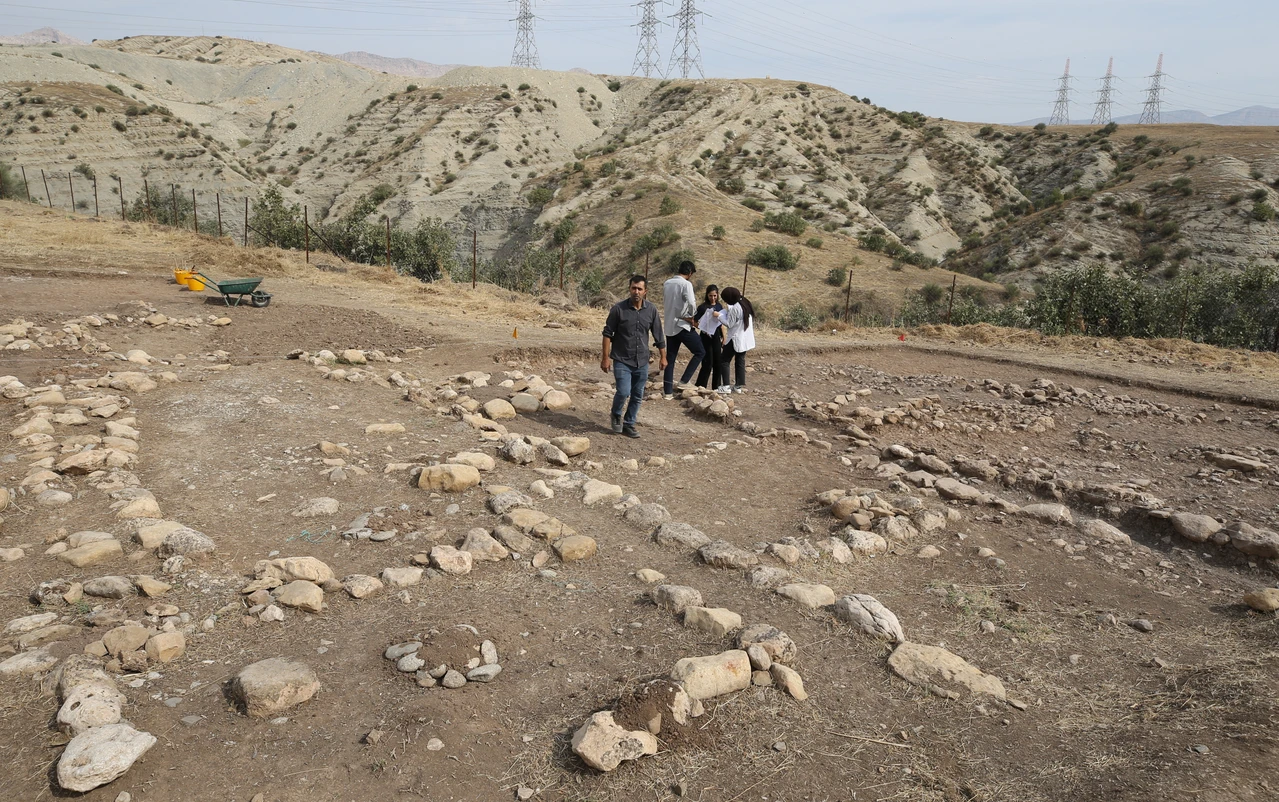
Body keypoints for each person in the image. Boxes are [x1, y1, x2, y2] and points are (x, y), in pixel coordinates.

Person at [601, 274, 667, 438]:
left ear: (645, 291)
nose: (636, 291)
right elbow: (607, 334)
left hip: (642, 361)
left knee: (637, 395)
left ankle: (629, 424)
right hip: (622, 359)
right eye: (633, 288)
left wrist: (663, 357)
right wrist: (605, 357)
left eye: (639, 289)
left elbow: (659, 335)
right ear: (629, 289)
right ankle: (616, 414)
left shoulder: (651, 310)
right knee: (623, 392)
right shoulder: (618, 309)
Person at [661, 260, 704, 400]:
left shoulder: (667, 283)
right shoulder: (686, 284)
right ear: (690, 273)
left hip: (669, 325)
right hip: (682, 325)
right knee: (700, 351)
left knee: (670, 359)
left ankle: (667, 392)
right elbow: (691, 302)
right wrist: (692, 316)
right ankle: (684, 381)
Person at [715, 286, 755, 393]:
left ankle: (726, 386)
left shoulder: (736, 308)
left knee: (724, 360)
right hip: (745, 338)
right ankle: (738, 386)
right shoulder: (745, 302)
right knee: (740, 360)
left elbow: (729, 324)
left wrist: (719, 316)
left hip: (735, 338)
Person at [693, 284, 723, 389]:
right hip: (705, 337)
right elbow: (694, 321)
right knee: (707, 363)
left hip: (716, 336)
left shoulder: (719, 306)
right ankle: (701, 386)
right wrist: (702, 328)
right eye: (711, 295)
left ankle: (717, 387)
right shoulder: (702, 307)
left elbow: (721, 323)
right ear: (707, 295)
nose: (713, 298)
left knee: (718, 362)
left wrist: (723, 337)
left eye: (715, 295)